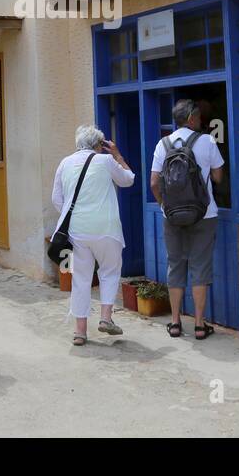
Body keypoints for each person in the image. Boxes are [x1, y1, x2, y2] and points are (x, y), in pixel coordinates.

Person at [51, 125, 135, 346]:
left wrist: (76, 216)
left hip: (77, 231)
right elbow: (128, 179)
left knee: (81, 279)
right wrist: (117, 155)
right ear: (100, 145)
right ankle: (106, 318)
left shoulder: (65, 163)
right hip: (106, 228)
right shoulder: (106, 161)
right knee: (109, 271)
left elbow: (57, 200)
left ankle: (80, 332)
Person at [150, 98, 224, 340]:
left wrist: (165, 206)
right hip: (204, 214)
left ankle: (174, 323)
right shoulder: (207, 141)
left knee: (175, 265)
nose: (201, 119)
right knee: (200, 266)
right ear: (191, 118)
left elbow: (153, 182)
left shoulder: (163, 144)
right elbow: (219, 177)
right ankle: (200, 325)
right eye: (199, 116)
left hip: (171, 216)